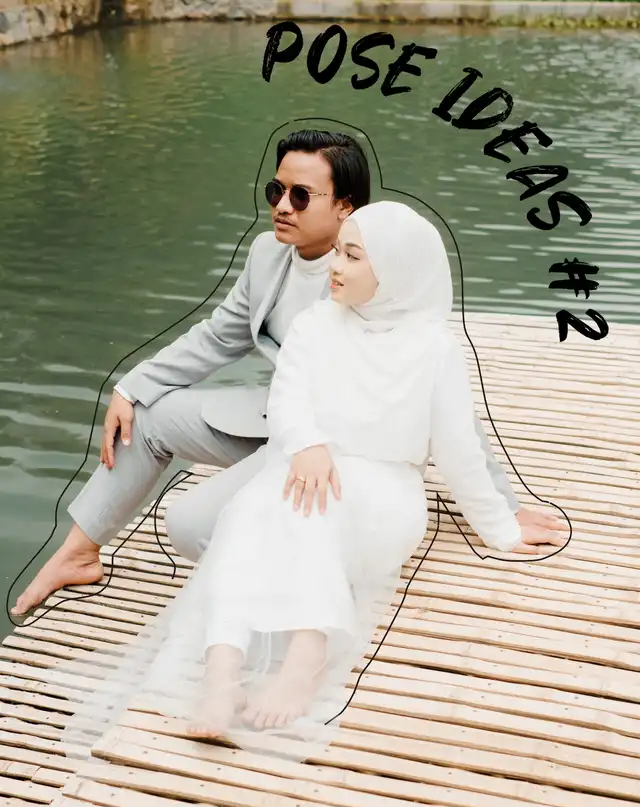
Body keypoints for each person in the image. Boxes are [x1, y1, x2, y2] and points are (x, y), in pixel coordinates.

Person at [49, 201, 532, 766]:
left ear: (396, 270)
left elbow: (459, 451)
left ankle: (305, 657)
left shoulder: (434, 349)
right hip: (305, 467)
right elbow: (288, 401)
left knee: (314, 508)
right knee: (248, 513)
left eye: (353, 256)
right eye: (339, 252)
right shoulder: (316, 324)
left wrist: (503, 527)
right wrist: (306, 444)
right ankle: (223, 672)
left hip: (383, 495)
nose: (336, 266)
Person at [11, 130, 562, 619]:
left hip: (337, 451)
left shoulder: (373, 280)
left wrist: (504, 510)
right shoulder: (267, 254)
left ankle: (291, 596)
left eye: (301, 196)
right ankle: (80, 552)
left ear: (346, 206)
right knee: (148, 415)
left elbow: (443, 404)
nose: (281, 206)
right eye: (277, 190)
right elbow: (219, 336)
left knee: (198, 524)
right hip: (278, 419)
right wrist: (133, 385)